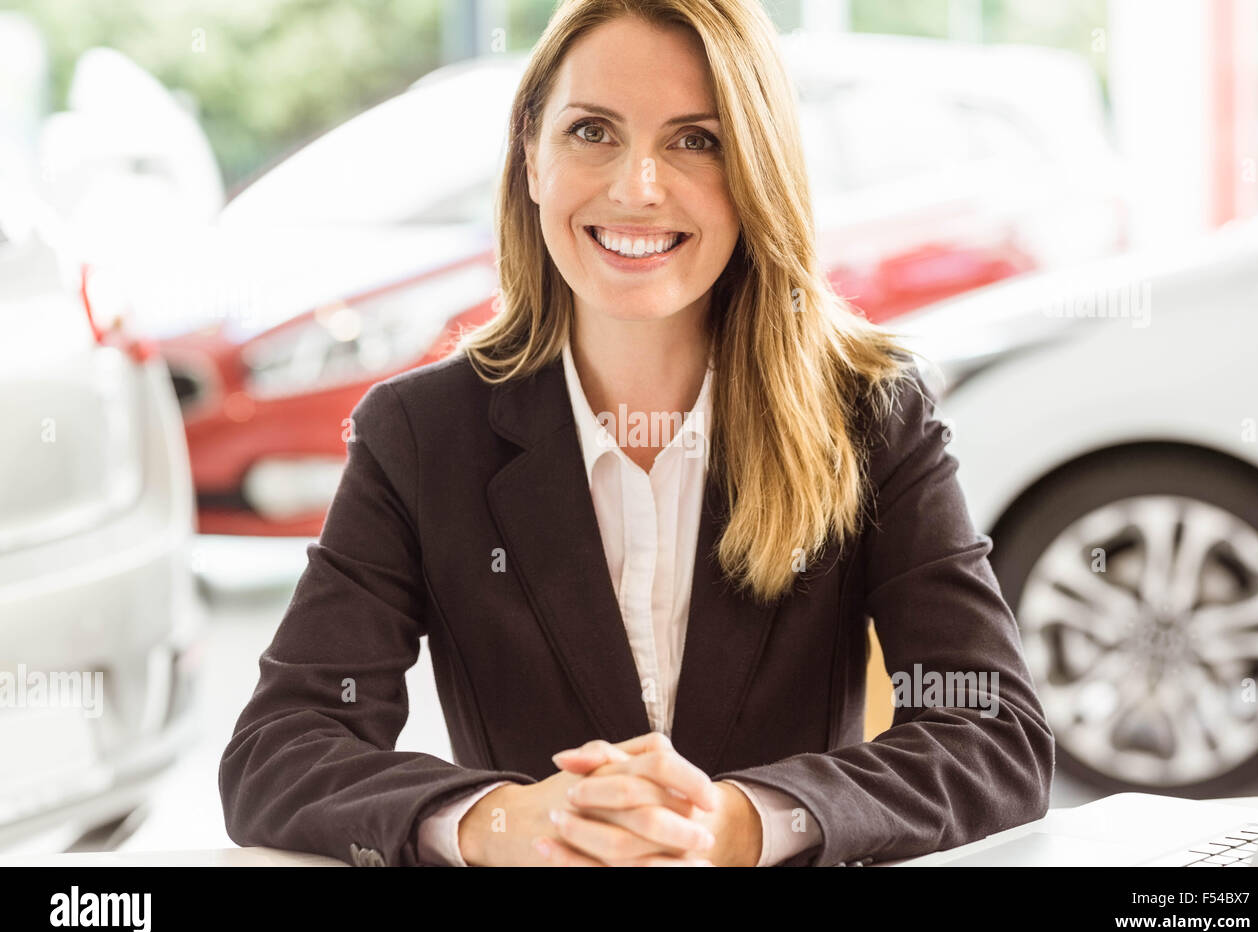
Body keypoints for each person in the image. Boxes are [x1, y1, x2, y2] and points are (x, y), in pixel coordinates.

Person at [219, 0, 1054, 867]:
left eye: (696, 140)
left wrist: (738, 824)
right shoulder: (422, 434)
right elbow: (280, 749)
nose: (636, 187)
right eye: (592, 132)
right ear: (532, 155)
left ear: (754, 168)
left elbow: (992, 735)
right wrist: (505, 822)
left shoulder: (871, 414)